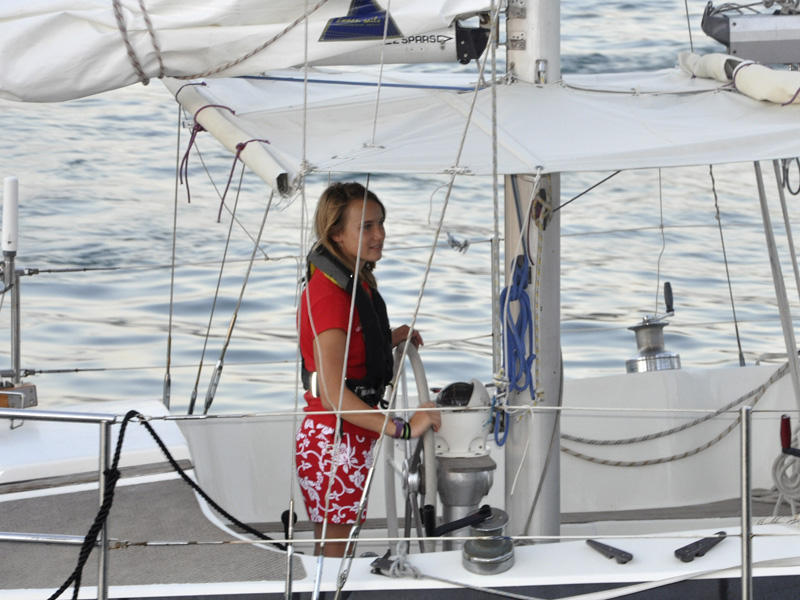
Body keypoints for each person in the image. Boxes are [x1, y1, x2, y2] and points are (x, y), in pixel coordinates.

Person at [296, 182, 441, 557]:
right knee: (333, 557)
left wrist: (389, 338)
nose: (379, 234)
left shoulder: (354, 283)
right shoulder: (328, 295)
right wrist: (404, 428)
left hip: (349, 438)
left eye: (381, 223)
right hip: (334, 444)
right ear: (336, 235)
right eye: (366, 227)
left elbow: (351, 347)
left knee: (339, 550)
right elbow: (332, 394)